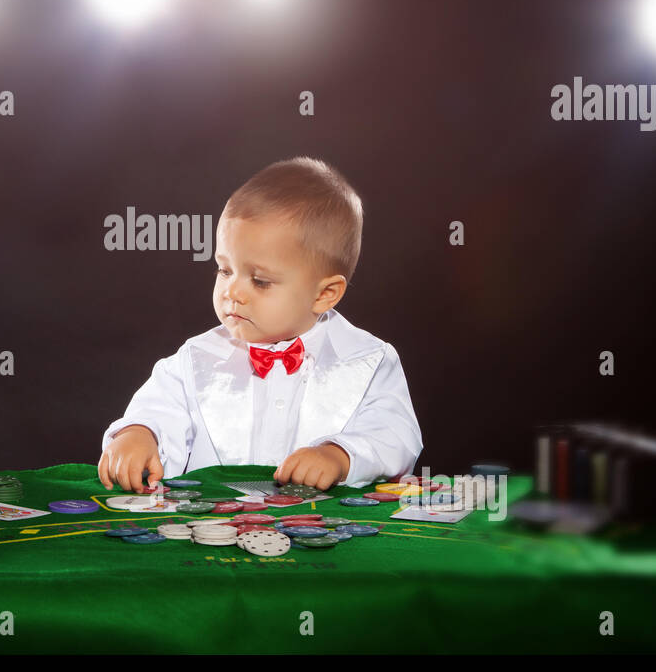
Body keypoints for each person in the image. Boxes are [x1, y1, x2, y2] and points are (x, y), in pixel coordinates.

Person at [98, 157, 422, 492]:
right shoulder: (195, 358)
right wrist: (139, 434)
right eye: (225, 270)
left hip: (325, 527)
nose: (233, 291)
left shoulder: (369, 360)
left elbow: (394, 434)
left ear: (325, 294)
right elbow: (158, 409)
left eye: (261, 281)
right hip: (211, 528)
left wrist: (339, 456)